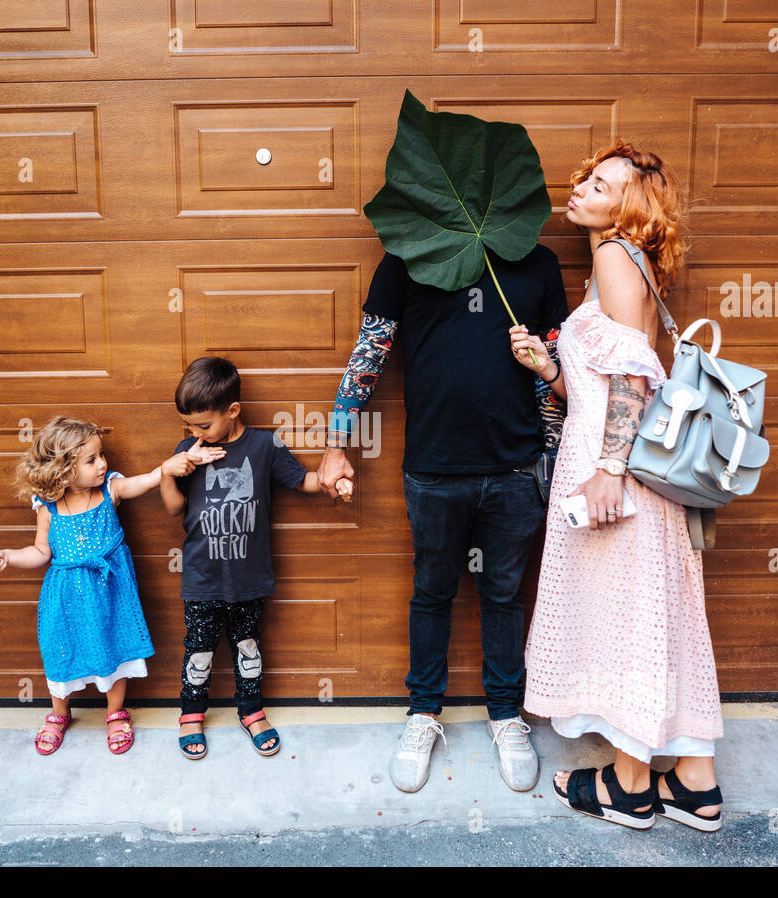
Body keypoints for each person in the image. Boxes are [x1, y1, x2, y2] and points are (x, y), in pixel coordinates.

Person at [510, 138, 725, 831]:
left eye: (600, 186)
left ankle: (630, 787)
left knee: (629, 619)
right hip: (631, 468)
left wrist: (607, 471)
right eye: (586, 180)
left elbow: (635, 377)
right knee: (659, 616)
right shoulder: (625, 266)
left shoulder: (612, 255)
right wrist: (548, 367)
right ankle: (695, 782)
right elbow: (598, 386)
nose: (580, 190)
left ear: (628, 208)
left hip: (617, 476)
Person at [319, 242, 569, 793]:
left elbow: (557, 369)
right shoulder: (408, 257)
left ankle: (506, 715)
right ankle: (422, 713)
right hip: (433, 469)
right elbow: (370, 354)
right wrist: (338, 444)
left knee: (503, 594)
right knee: (431, 592)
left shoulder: (539, 262)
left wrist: (554, 459)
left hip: (516, 469)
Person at [0, 416, 218, 756]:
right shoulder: (47, 507)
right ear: (63, 470)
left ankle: (114, 712)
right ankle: (59, 712)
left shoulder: (111, 488)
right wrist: (9, 555)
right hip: (65, 594)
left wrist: (170, 467)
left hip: (110, 591)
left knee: (115, 644)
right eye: (92, 459)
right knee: (60, 648)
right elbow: (39, 551)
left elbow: (150, 479)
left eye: (102, 455)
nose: (103, 464)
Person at [160, 357, 347, 759]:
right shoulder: (187, 450)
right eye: (189, 426)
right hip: (202, 576)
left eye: (204, 425)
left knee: (247, 646)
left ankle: (252, 712)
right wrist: (168, 472)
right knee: (200, 648)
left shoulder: (264, 446)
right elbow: (174, 508)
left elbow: (304, 481)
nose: (196, 433)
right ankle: (191, 713)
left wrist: (333, 480)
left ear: (233, 411)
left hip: (248, 575)